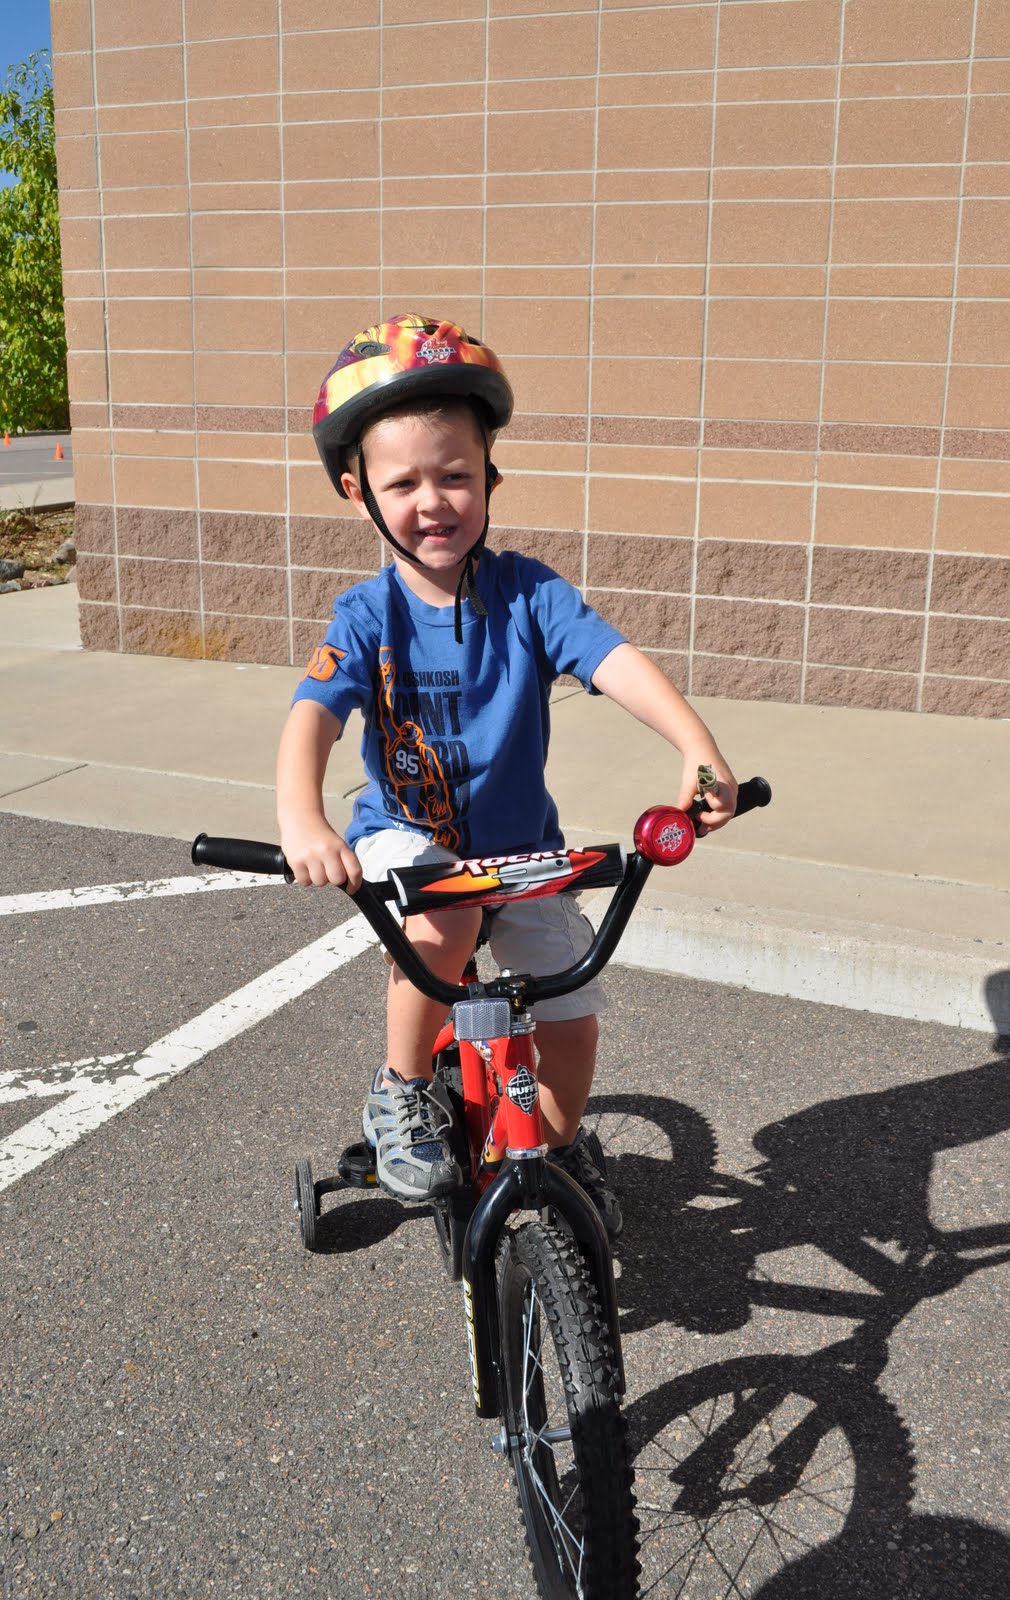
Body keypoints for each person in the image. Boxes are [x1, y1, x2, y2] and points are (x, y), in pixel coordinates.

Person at [276, 313, 738, 1236]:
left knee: (569, 1011)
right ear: (355, 489)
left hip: (524, 851)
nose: (433, 500)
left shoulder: (529, 594)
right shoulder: (366, 614)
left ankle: (555, 1147)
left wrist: (695, 746)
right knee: (443, 914)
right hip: (410, 839)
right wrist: (303, 819)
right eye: (402, 481)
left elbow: (612, 662)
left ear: (489, 479)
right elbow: (313, 718)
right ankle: (402, 1090)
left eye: (454, 475)